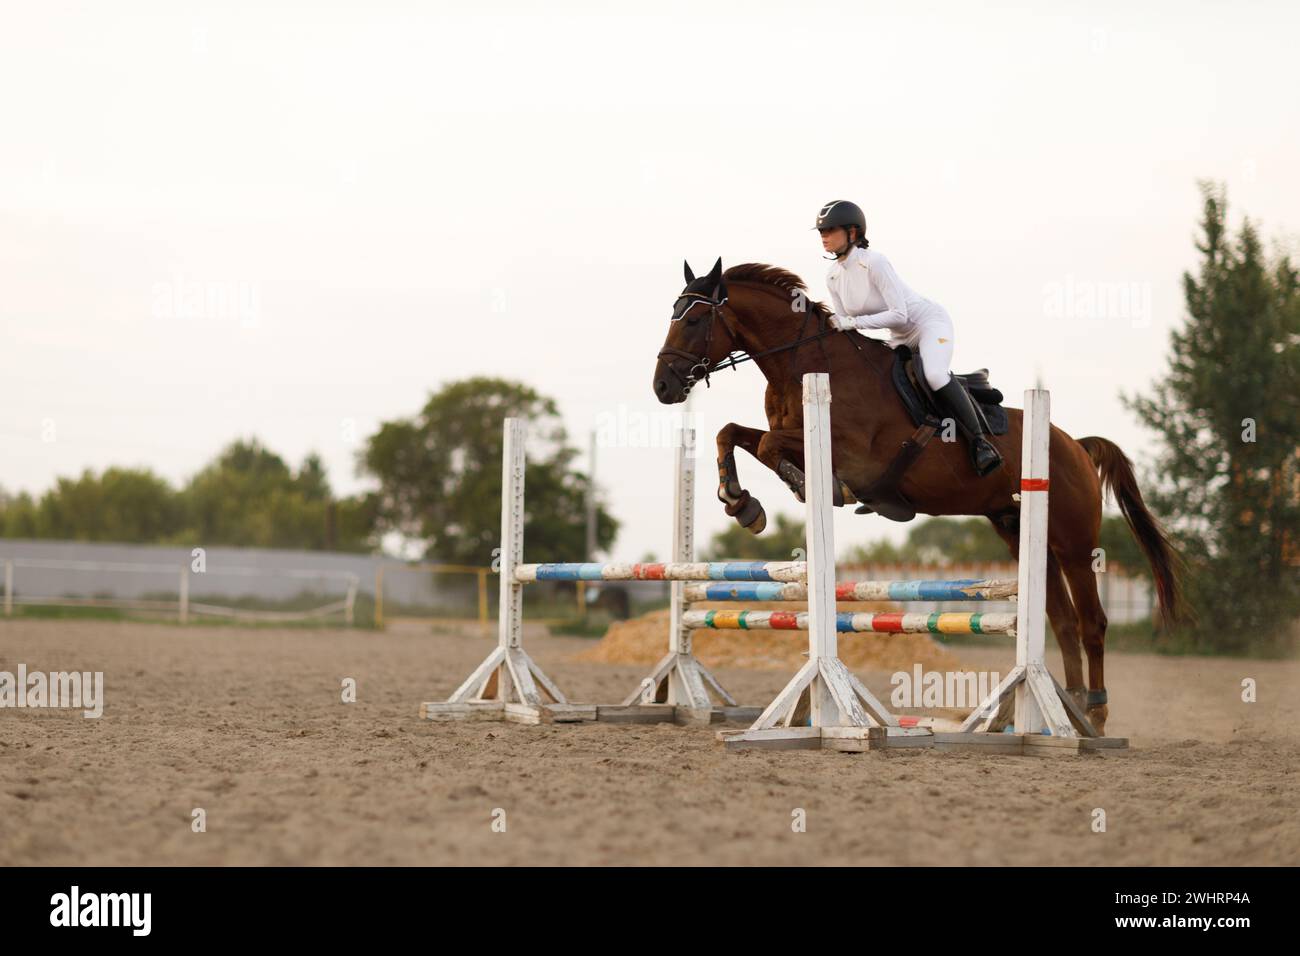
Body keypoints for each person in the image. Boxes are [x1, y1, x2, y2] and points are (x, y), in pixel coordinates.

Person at [815, 199, 1002, 476]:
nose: (824, 237)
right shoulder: (832, 277)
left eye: (830, 230)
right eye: (821, 232)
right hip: (898, 336)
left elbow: (899, 314)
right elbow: (847, 328)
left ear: (853, 232)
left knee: (936, 376)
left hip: (928, 324)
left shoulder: (875, 262)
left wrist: (849, 322)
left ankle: (980, 443)